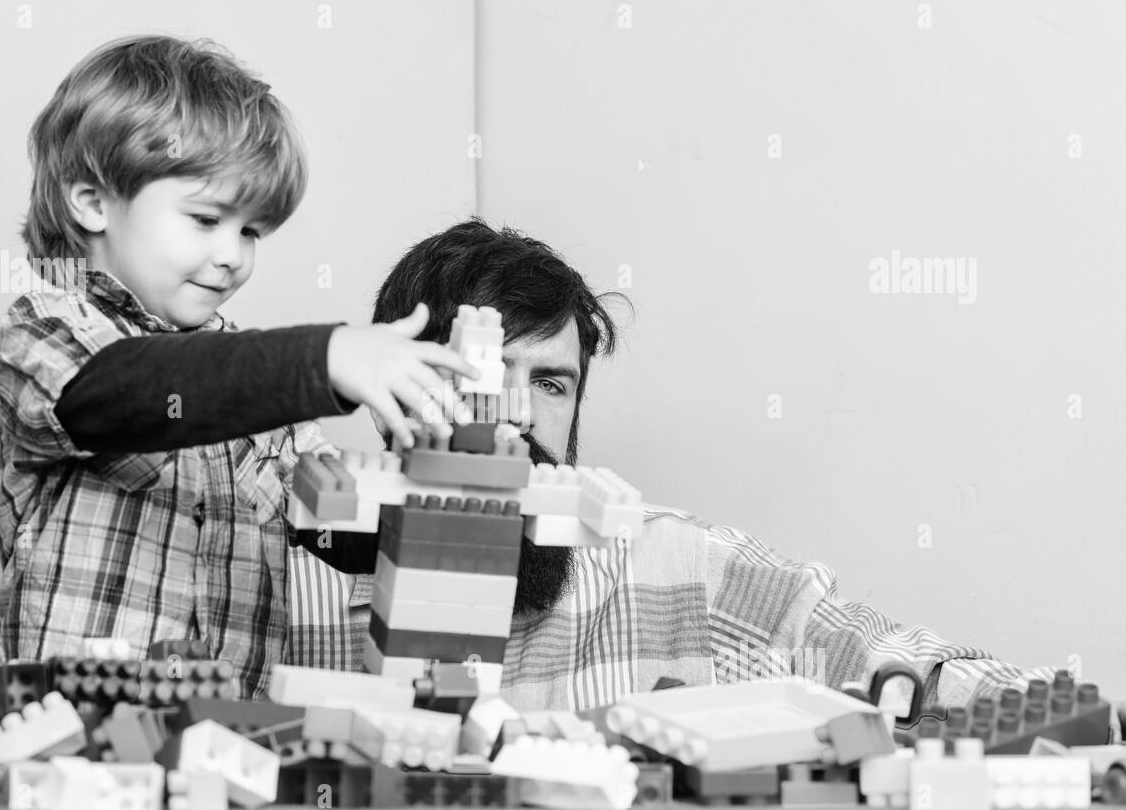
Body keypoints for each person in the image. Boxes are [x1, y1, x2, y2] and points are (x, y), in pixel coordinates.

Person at [287, 219, 1083, 718]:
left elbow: (893, 656)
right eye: (489, 379)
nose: (521, 417)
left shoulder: (671, 566)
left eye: (553, 383)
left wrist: (1050, 711)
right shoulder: (292, 587)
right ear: (392, 386)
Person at [0, 34, 477, 696]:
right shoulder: (43, 336)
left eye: (250, 231)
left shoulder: (259, 396)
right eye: (206, 218)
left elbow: (335, 528)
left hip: (223, 743)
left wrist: (441, 493)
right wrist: (326, 355)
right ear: (93, 201)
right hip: (75, 740)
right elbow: (122, 390)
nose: (233, 256)